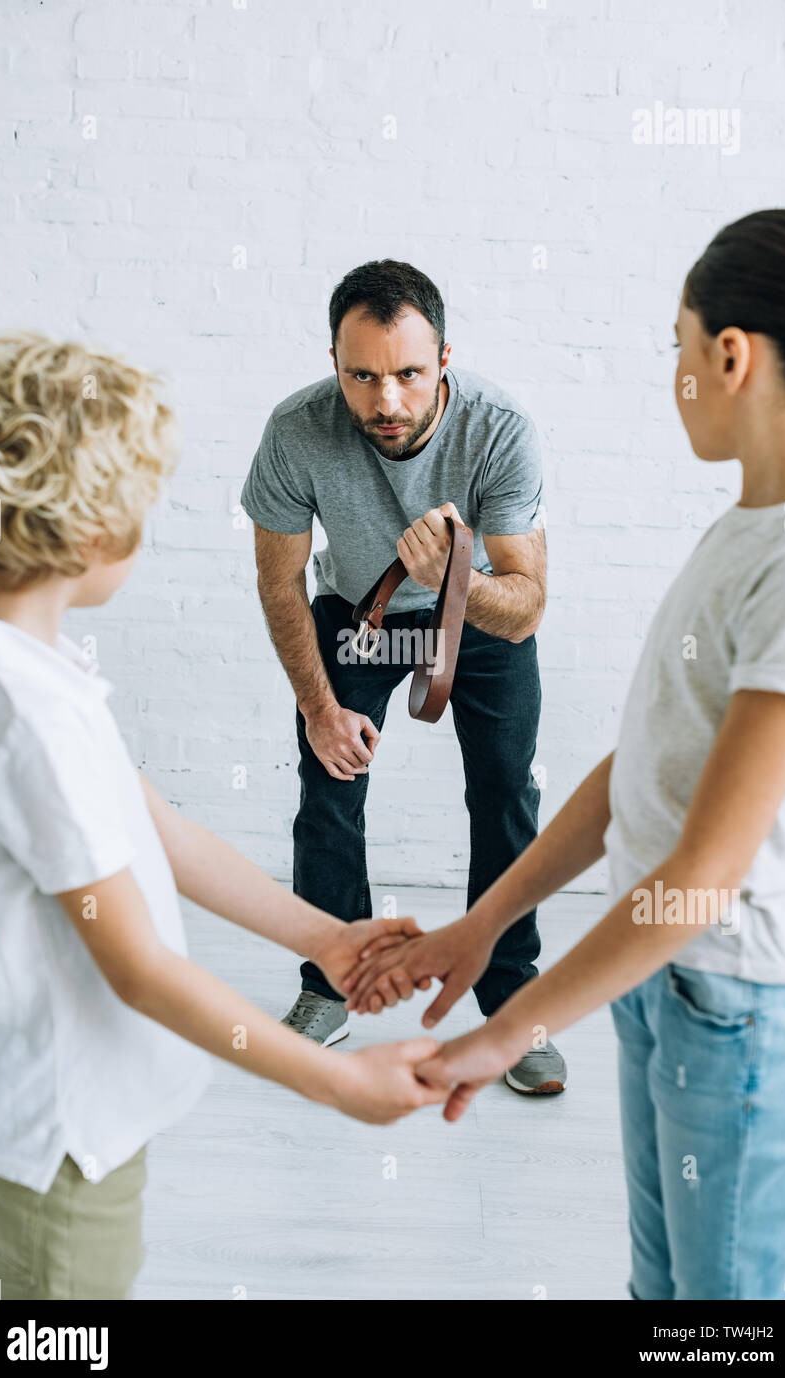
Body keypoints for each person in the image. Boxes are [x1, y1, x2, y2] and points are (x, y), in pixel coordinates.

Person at [343, 210, 785, 1301]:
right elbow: (634, 772)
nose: (677, 373)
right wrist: (484, 922)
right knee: (668, 1302)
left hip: (742, 1007)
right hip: (669, 990)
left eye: (677, 347)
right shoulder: (745, 534)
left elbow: (700, 881)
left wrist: (509, 1029)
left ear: (732, 357)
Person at [0, 333, 449, 1301]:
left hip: (48, 1121)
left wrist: (329, 936)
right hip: (63, 1141)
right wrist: (343, 1085)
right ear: (94, 532)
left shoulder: (13, 669)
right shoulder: (29, 717)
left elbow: (160, 837)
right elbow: (138, 968)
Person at [241, 258, 567, 1094]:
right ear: (334, 364)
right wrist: (319, 709)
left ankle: (510, 1004)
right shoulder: (296, 430)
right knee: (328, 786)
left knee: (503, 794)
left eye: (409, 375)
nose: (386, 401)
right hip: (358, 615)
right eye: (362, 376)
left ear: (444, 360)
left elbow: (525, 607)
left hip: (480, 618)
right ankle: (331, 987)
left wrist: (456, 574)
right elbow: (279, 583)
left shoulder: (499, 428)